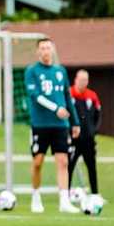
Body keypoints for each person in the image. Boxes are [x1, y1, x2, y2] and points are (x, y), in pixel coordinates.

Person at [24, 38, 82, 214]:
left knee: (63, 161)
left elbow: (67, 96)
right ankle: (35, 196)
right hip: (40, 124)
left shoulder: (60, 71)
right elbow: (35, 96)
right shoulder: (32, 71)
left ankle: (64, 201)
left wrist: (75, 121)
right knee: (37, 162)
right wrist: (55, 108)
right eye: (42, 48)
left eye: (48, 48)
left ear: (53, 50)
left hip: (60, 124)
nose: (46, 51)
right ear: (38, 52)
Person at [68, 69, 102, 204]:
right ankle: (66, 194)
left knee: (92, 166)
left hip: (88, 139)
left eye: (86, 80)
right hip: (73, 138)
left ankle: (95, 194)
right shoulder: (69, 94)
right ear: (76, 79)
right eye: (81, 79)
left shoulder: (92, 96)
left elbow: (98, 115)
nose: (83, 82)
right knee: (69, 165)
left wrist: (93, 131)